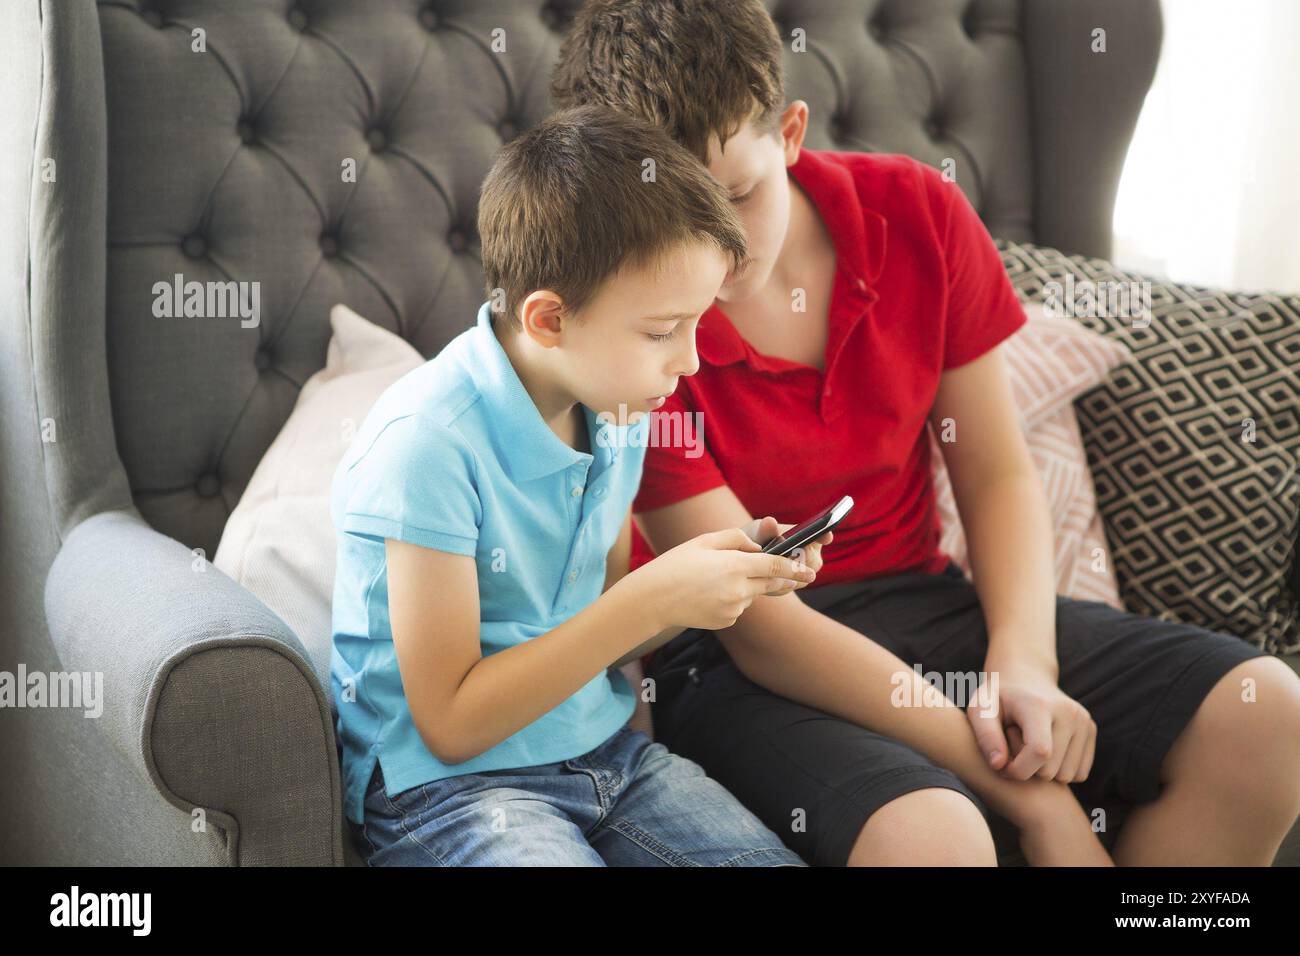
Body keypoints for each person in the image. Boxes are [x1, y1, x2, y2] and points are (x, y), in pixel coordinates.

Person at [550, 0, 1300, 866]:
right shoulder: (631, 329)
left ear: (790, 134)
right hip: (731, 655)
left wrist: (1025, 665)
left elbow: (994, 474)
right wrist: (1035, 799)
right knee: (935, 837)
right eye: (673, 220)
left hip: (920, 599)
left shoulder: (915, 210)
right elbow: (758, 623)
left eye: (737, 198)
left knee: (1266, 709)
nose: (713, 251)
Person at [329, 105, 814, 866]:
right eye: (662, 331)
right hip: (449, 785)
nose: (689, 362)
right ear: (549, 318)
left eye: (695, 324)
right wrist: (652, 599)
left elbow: (594, 628)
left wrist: (719, 579)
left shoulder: (617, 408)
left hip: (604, 753)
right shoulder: (427, 444)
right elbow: (450, 720)